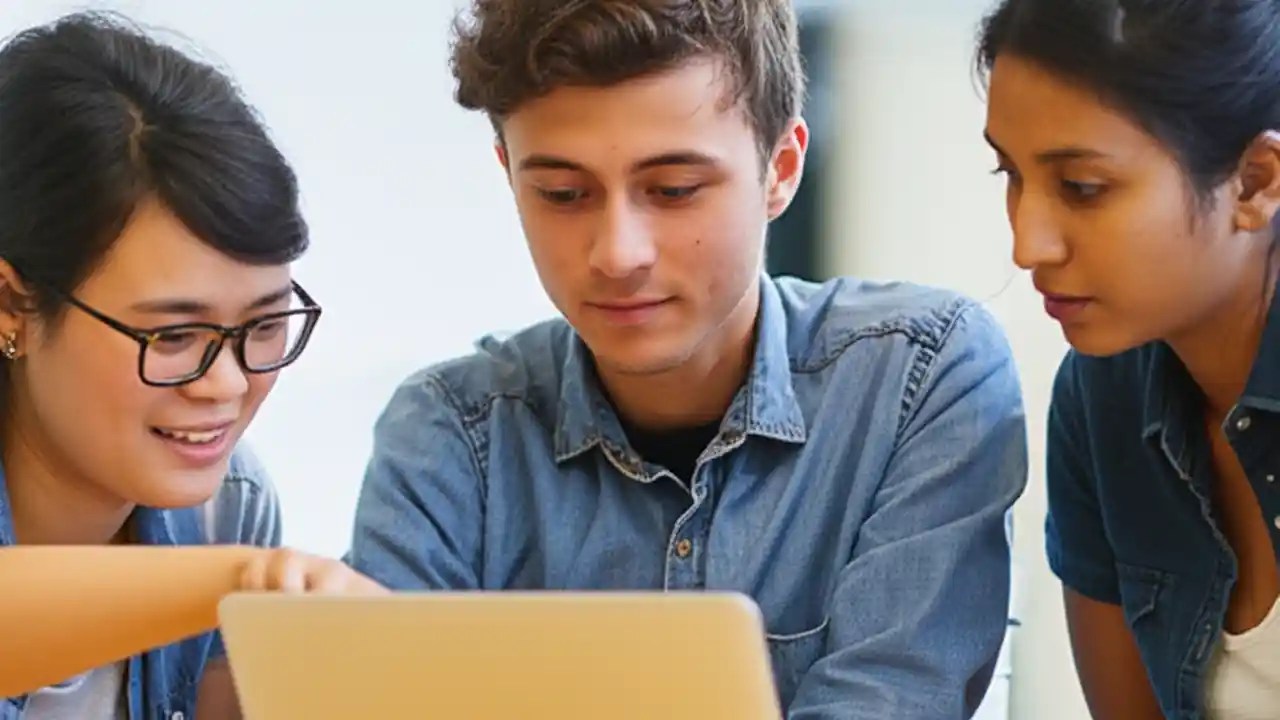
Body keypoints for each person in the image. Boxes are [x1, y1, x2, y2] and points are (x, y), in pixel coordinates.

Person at [347, 1, 1028, 716]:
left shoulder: (919, 379)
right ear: (509, 175)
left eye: (674, 191)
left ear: (781, 169)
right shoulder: (450, 436)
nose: (617, 254)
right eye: (562, 194)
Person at [0, 11, 384, 720]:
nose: (229, 385)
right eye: (173, 336)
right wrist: (241, 581)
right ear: (12, 304)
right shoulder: (231, 560)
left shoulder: (228, 506)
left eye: (265, 325)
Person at [978, 1, 1280, 718]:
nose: (1028, 246)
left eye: (1082, 188)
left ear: (1254, 183)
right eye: (1010, 174)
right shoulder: (1103, 397)